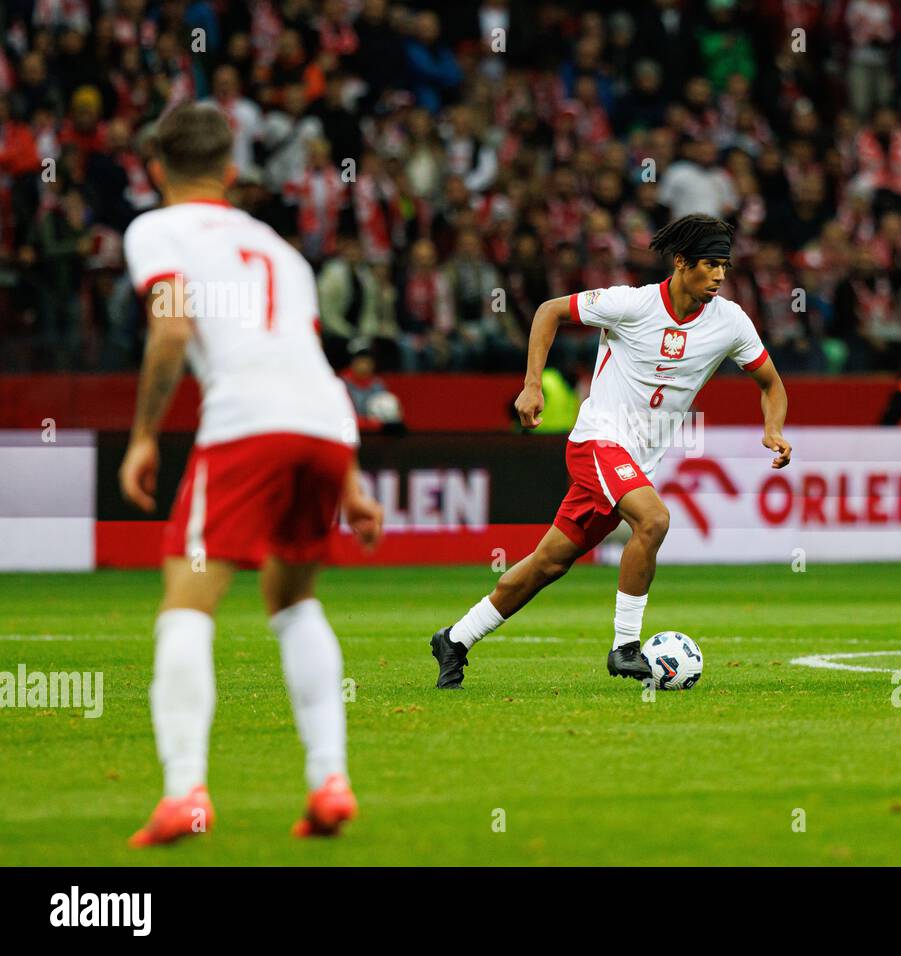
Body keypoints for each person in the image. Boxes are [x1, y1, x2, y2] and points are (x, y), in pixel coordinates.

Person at [118, 104, 384, 846]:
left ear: (157, 169)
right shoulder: (280, 249)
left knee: (187, 603)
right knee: (292, 602)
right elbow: (314, 365)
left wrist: (144, 437)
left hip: (245, 427)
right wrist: (354, 482)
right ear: (233, 173)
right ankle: (330, 781)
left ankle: (184, 794)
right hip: (321, 429)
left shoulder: (156, 229)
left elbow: (170, 328)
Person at [429, 213, 791, 689]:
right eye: (710, 264)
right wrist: (532, 385)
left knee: (549, 563)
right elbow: (549, 311)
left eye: (725, 265)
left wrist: (773, 427)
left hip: (633, 462)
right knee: (654, 520)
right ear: (682, 262)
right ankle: (624, 646)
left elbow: (771, 383)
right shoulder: (631, 303)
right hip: (597, 440)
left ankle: (455, 638)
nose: (720, 276)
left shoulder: (730, 322)